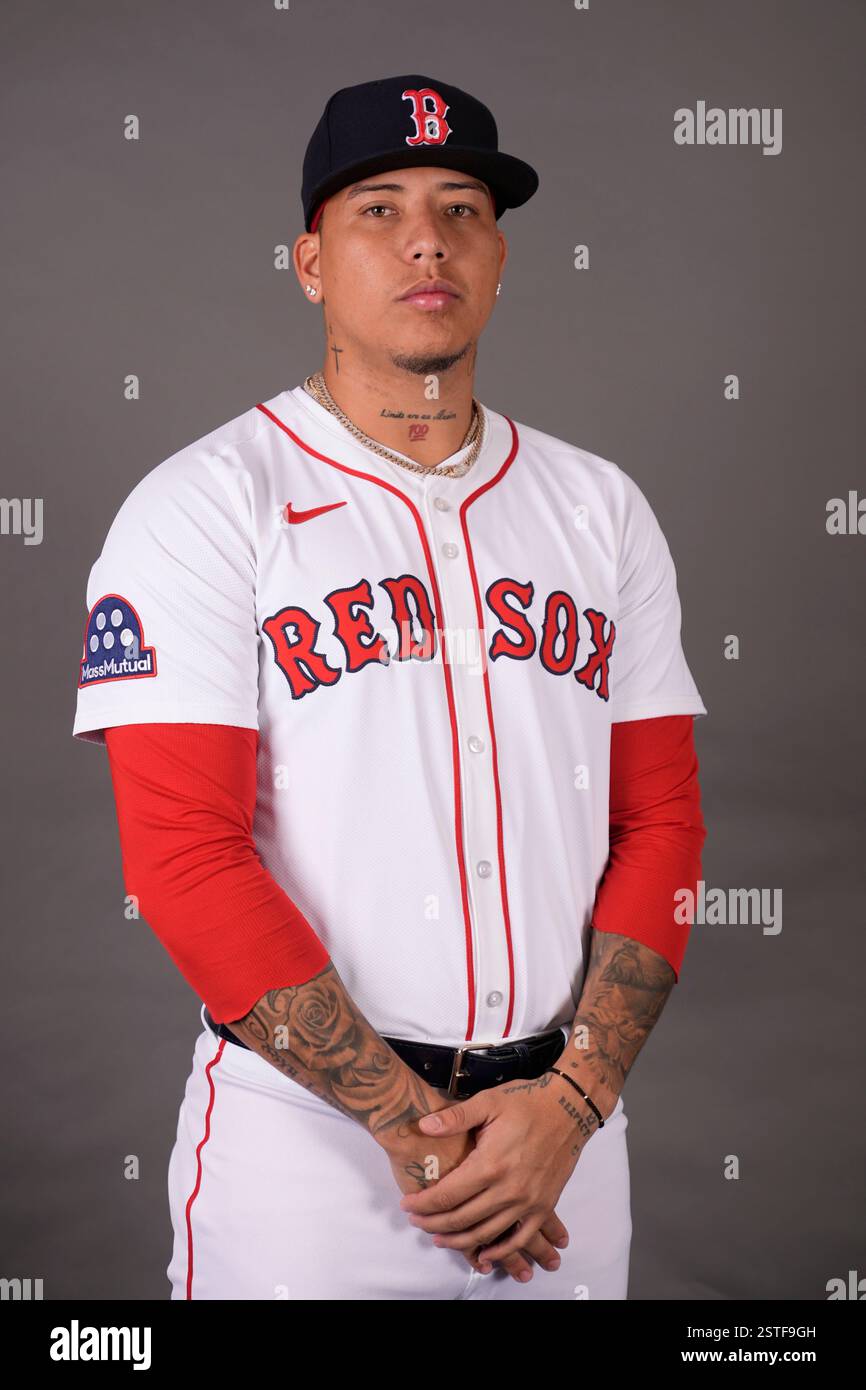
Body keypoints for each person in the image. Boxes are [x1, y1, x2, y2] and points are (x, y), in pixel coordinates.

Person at [72, 73, 708, 1300]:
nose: (427, 237)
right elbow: (181, 856)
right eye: (378, 207)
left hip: (559, 1145)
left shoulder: (600, 507)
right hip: (307, 1159)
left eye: (462, 206)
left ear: (500, 255)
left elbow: (660, 822)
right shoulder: (205, 504)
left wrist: (569, 1107)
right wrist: (415, 1131)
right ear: (309, 260)